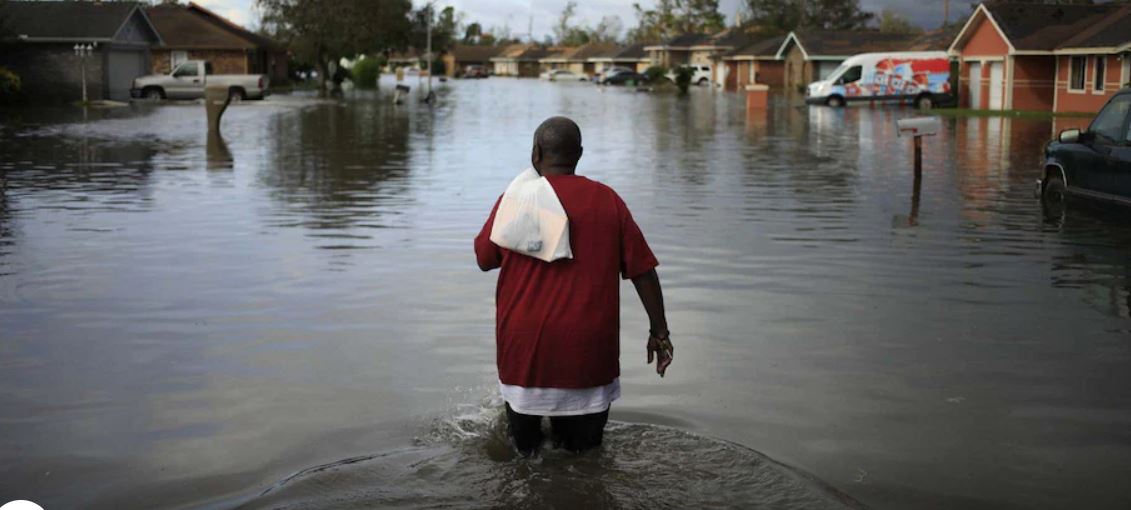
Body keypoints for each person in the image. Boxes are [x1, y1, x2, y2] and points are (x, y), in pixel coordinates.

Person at [474, 116, 673, 455]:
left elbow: (484, 258)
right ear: (579, 154)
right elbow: (643, 271)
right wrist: (660, 332)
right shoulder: (607, 200)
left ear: (535, 153)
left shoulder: (516, 200)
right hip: (589, 356)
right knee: (586, 460)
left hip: (525, 353)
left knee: (524, 460)